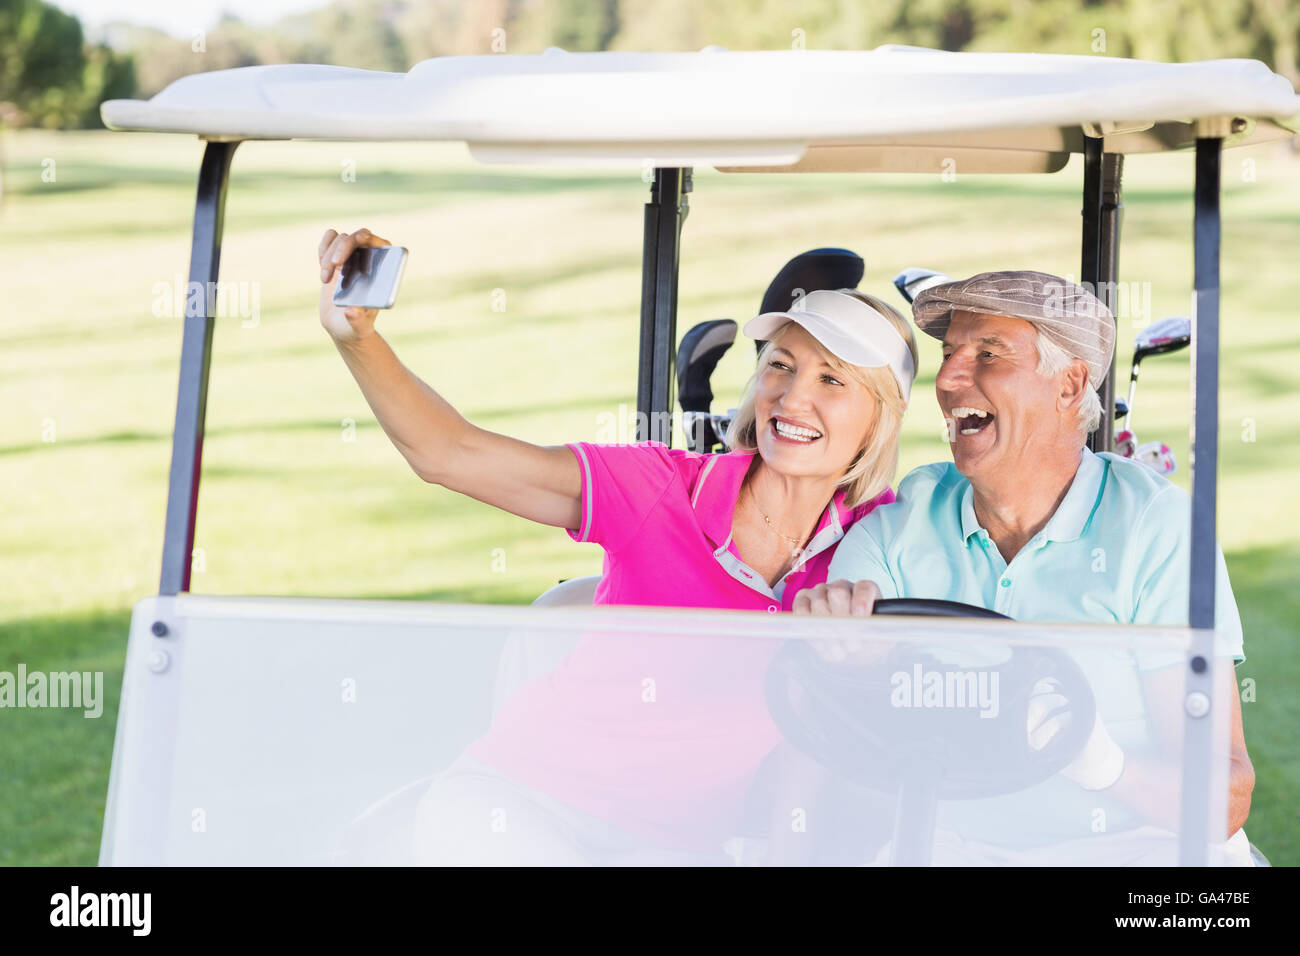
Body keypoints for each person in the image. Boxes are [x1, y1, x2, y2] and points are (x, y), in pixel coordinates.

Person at [317, 227, 920, 862]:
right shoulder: (659, 488)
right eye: (781, 365)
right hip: (518, 804)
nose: (794, 396)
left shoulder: (875, 547)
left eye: (832, 381)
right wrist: (359, 339)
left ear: (881, 416)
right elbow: (451, 454)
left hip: (669, 848)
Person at [793, 270, 1255, 864]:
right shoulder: (900, 523)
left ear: (1069, 386)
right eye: (949, 353)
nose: (949, 380)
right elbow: (839, 726)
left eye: (989, 354)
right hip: (955, 850)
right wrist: (852, 669)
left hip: (1137, 853)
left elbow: (1224, 801)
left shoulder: (1157, 528)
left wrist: (1103, 766)